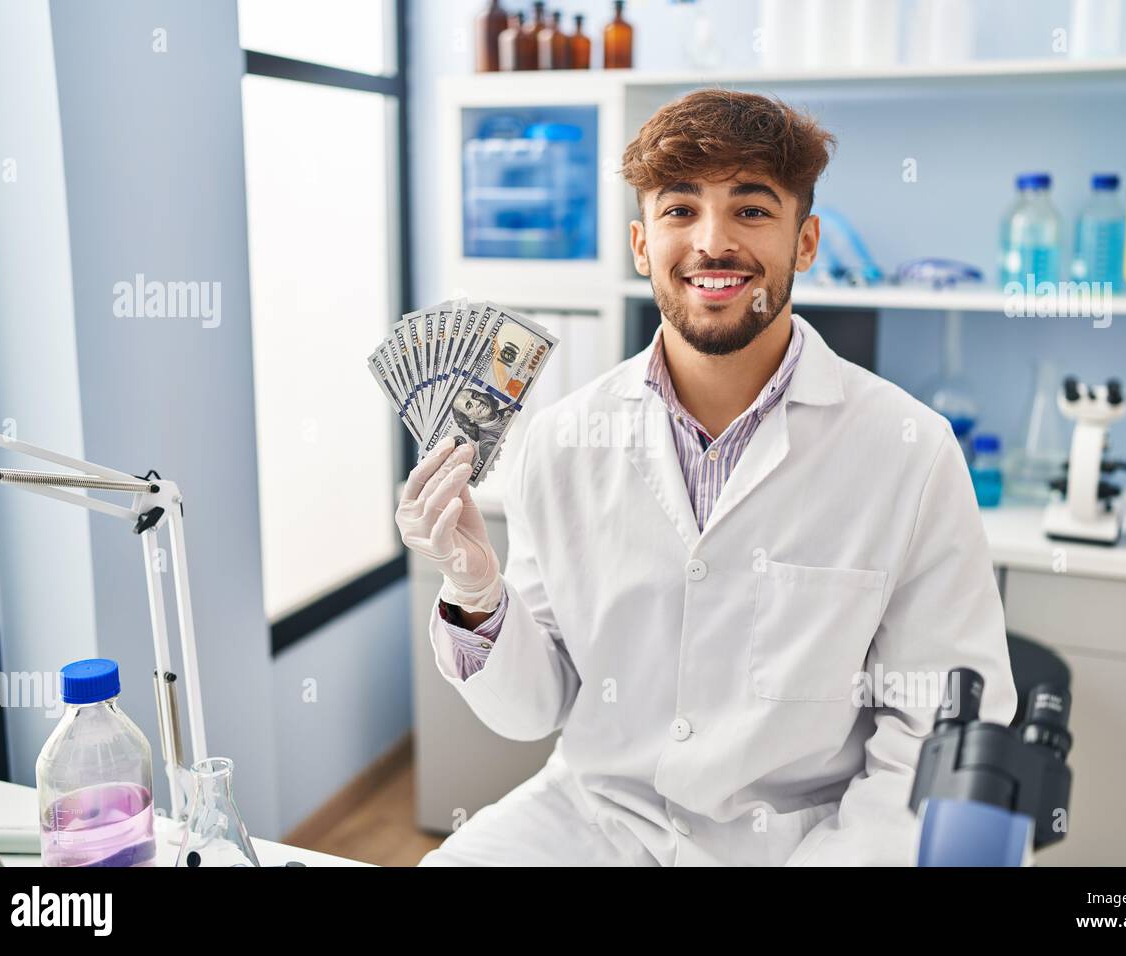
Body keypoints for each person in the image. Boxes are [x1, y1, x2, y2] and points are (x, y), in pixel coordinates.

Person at [398, 89, 1016, 866]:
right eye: (679, 210)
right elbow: (537, 707)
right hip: (598, 818)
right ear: (640, 244)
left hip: (803, 841)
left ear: (807, 240)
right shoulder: (560, 440)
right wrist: (478, 594)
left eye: (752, 210)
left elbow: (932, 732)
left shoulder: (909, 450)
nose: (712, 243)